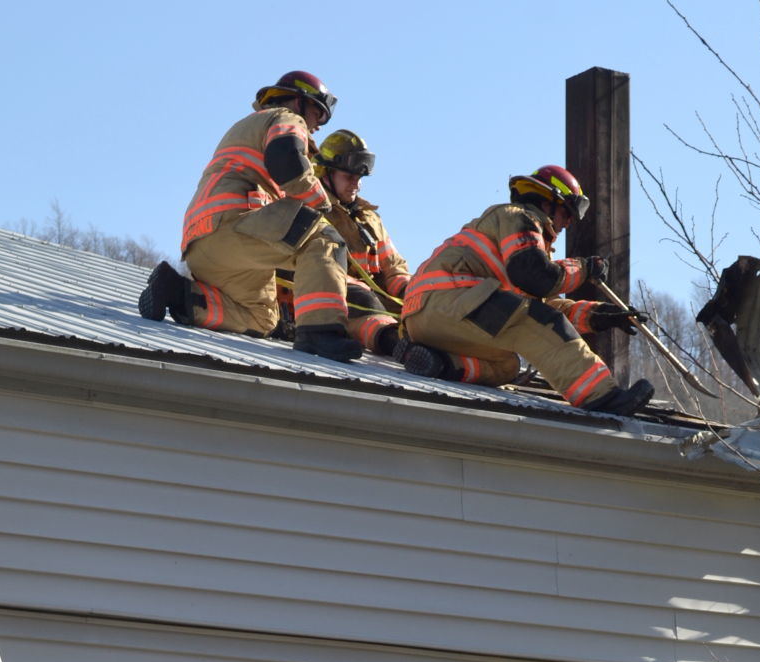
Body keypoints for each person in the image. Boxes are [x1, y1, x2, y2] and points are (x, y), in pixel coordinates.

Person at [138, 72, 362, 363]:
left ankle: (181, 295)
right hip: (234, 224)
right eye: (318, 113)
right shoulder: (285, 117)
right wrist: (323, 205)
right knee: (325, 238)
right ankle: (321, 334)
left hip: (201, 246)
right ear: (298, 101)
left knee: (263, 317)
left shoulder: (244, 128)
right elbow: (288, 161)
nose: (317, 125)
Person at [399, 165, 655, 416]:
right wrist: (584, 268)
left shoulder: (513, 241)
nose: (567, 223)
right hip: (448, 301)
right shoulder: (518, 217)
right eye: (566, 213)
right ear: (547, 203)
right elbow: (536, 278)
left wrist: (597, 314)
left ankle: (441, 363)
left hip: (425, 320)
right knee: (535, 321)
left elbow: (542, 304)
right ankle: (601, 396)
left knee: (506, 365)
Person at [313, 130, 409, 358]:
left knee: (422, 312)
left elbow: (393, 268)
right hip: (335, 298)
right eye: (349, 177)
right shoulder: (311, 210)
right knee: (365, 301)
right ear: (325, 174)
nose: (356, 185)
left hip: (376, 300)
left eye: (359, 179)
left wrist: (412, 293)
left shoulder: (369, 218)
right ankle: (395, 343)